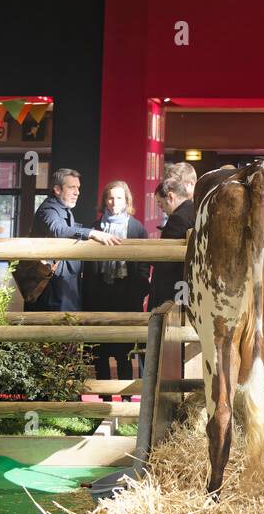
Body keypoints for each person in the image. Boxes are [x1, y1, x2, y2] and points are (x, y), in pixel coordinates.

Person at [25, 168, 120, 312]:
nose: (77, 192)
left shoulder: (63, 208)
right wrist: (92, 233)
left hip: (64, 286)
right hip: (53, 289)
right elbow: (58, 230)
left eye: (78, 188)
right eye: (72, 187)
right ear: (57, 189)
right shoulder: (49, 209)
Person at [83, 181, 149, 382]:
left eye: (119, 198)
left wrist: (138, 292)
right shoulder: (94, 228)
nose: (114, 202)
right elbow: (88, 267)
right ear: (104, 200)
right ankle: (104, 398)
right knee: (100, 350)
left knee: (126, 350)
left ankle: (127, 397)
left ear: (126, 200)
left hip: (127, 297)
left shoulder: (137, 228)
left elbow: (143, 267)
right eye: (110, 197)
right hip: (99, 297)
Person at [149, 161, 197, 310]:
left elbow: (164, 260)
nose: (161, 209)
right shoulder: (194, 210)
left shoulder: (178, 218)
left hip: (172, 292)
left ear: (170, 196)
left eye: (161, 204)